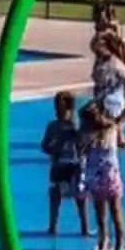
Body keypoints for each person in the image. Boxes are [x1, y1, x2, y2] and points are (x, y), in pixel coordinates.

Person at [80, 100, 125, 250]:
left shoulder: (108, 131)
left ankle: (112, 243)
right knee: (108, 212)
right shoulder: (96, 135)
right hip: (103, 177)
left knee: (109, 212)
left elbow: (121, 120)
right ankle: (110, 243)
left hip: (104, 177)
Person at [40, 91, 89, 237]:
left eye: (64, 112)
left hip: (75, 166)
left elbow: (83, 145)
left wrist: (77, 137)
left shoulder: (76, 127)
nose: (61, 115)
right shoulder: (52, 127)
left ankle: (85, 227)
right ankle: (52, 226)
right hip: (58, 165)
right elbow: (44, 146)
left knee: (80, 197)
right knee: (55, 195)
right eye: (58, 111)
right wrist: (56, 146)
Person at [91, 31, 125, 148]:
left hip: (111, 101)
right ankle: (117, 130)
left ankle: (116, 130)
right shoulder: (106, 60)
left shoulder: (113, 63)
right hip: (109, 98)